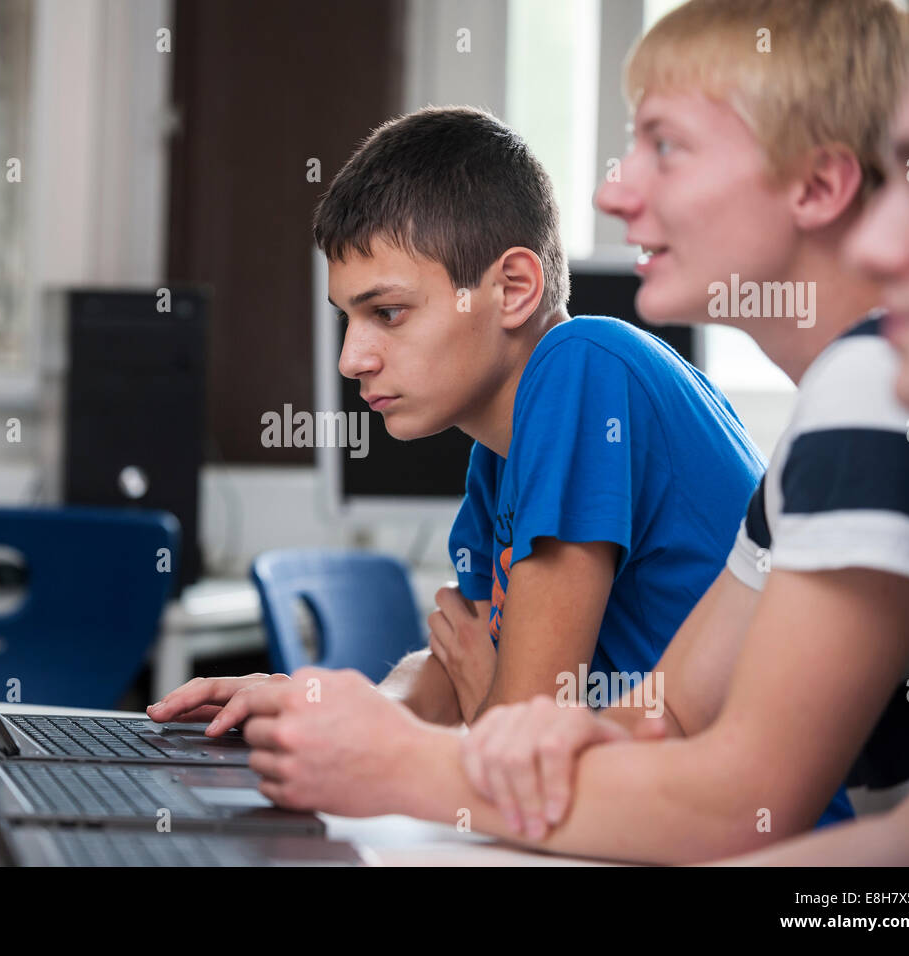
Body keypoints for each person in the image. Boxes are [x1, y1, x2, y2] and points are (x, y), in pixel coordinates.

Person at [156, 0, 909, 865]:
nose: (613, 190)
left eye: (667, 146)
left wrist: (425, 748)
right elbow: (658, 718)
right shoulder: (824, 426)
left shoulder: (602, 365)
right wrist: (338, 716)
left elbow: (727, 792)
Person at [151, 105, 763, 736]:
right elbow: (452, 665)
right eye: (347, 319)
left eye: (387, 312)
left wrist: (486, 695)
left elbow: (518, 739)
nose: (350, 359)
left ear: (514, 288)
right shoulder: (499, 456)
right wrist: (330, 704)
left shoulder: (583, 367)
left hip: (723, 831)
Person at [720, 0, 909, 864]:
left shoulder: (873, 387)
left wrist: (424, 771)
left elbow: (741, 791)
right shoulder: (848, 391)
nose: (879, 244)